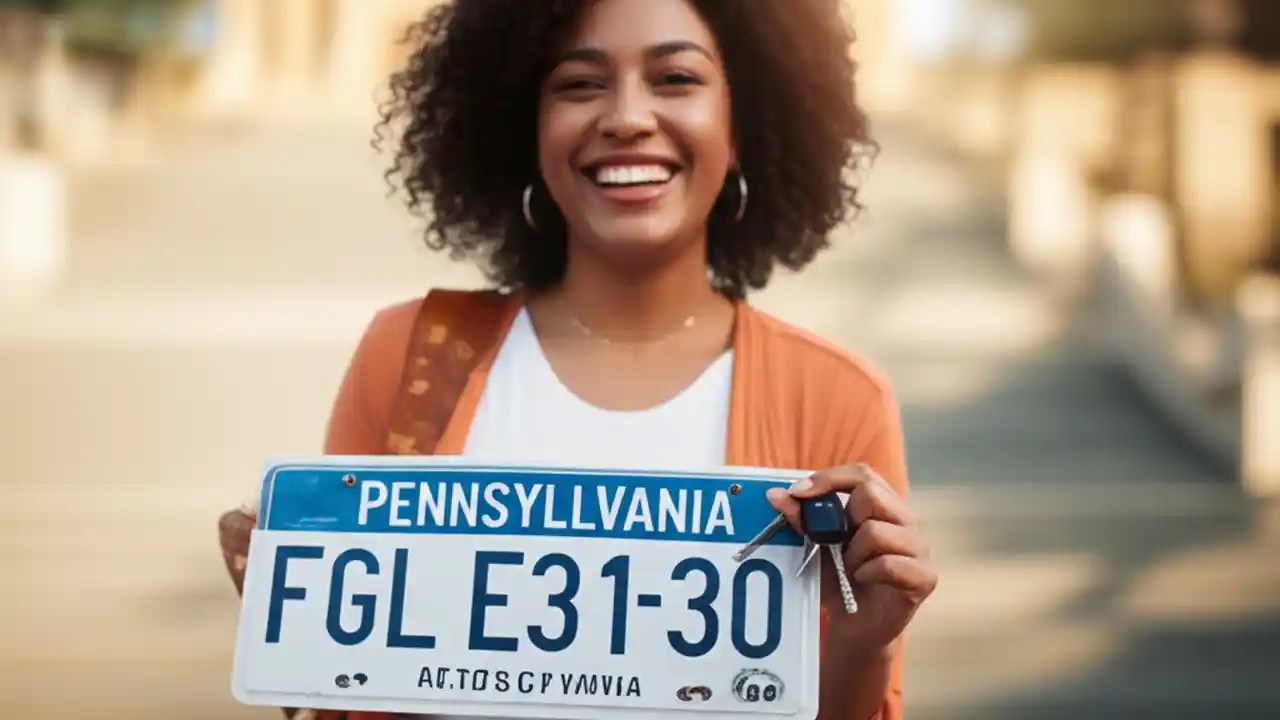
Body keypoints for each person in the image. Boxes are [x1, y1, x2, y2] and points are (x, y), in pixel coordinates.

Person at [229, 1, 937, 718]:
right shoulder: (409, 355)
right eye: (578, 85)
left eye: (675, 78)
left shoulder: (839, 399)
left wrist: (862, 647)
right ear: (523, 126)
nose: (627, 116)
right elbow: (349, 702)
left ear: (743, 123)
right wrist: (294, 630)